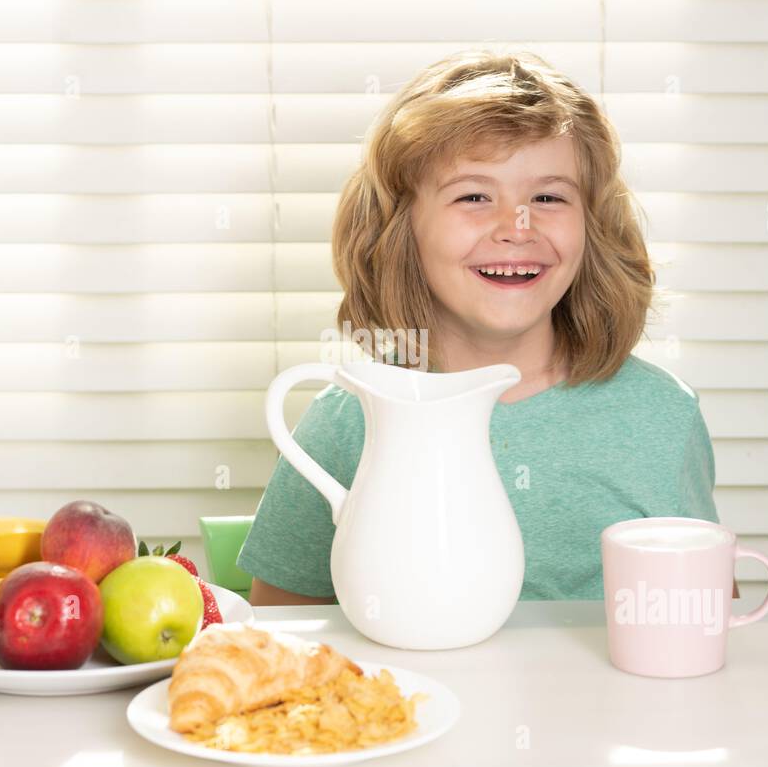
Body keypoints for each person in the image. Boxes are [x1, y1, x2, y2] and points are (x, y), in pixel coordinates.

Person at [238, 48, 734, 606]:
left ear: (592, 228)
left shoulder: (662, 417)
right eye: (473, 196)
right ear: (403, 230)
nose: (516, 227)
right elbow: (282, 634)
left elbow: (709, 616)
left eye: (548, 197)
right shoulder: (348, 420)